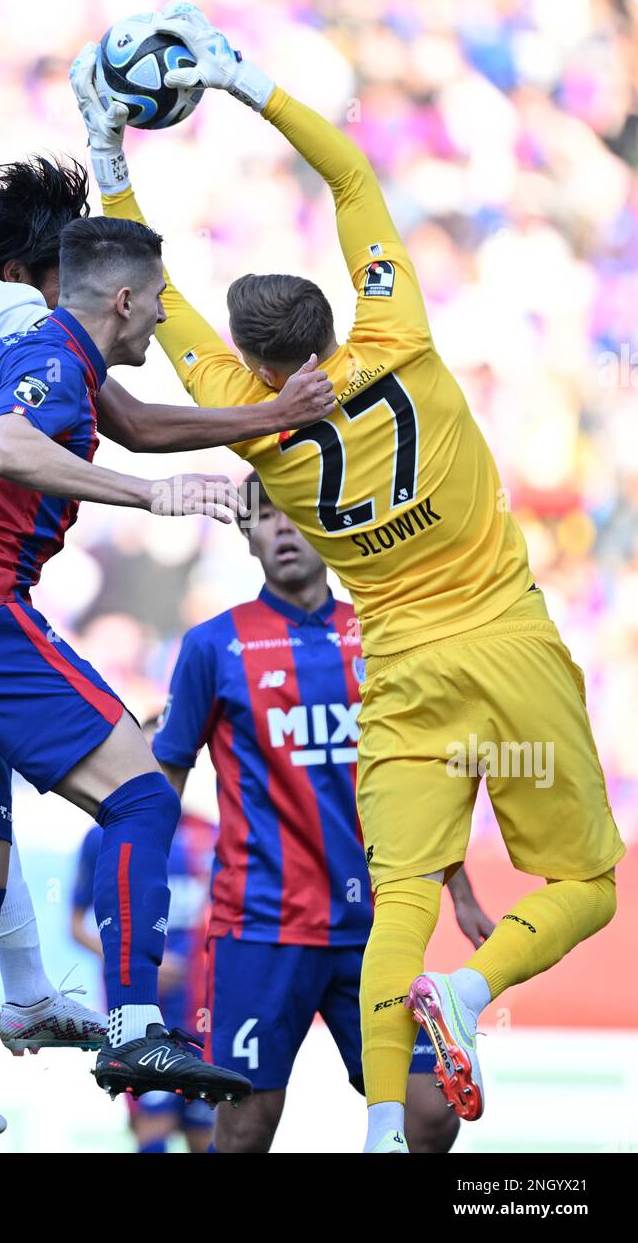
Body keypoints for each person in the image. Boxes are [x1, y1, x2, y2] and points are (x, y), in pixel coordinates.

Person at [72, 4, 625, 1154]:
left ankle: (381, 1127)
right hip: (511, 644)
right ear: (332, 321)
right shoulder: (401, 338)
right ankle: (470, 994)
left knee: (401, 901)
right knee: (585, 886)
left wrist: (112, 162)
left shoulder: (255, 427)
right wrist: (241, 81)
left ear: (255, 356)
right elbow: (353, 179)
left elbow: (156, 302)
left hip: (407, 671)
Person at [0, 155, 334, 1141]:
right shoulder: (35, 335)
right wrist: (152, 493)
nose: (158, 322)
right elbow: (13, 442)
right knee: (138, 794)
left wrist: (263, 418)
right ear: (94, 289)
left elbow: (83, 420)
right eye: (156, 305)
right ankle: (130, 1022)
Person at [152, 471, 493, 1154]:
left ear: (326, 523)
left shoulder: (386, 636)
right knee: (246, 1127)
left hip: (375, 926)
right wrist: (137, 895)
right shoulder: (212, 648)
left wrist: (460, 889)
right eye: (264, 516)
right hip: (260, 929)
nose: (281, 527)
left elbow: (424, 775)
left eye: (294, 512)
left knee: (431, 1115)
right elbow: (164, 778)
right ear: (246, 535)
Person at [71, 718, 216, 1154]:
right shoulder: (102, 838)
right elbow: (77, 925)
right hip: (140, 1012)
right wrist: (138, 958)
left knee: (205, 1131)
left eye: (168, 755)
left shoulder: (211, 837)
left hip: (204, 1011)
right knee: (154, 1127)